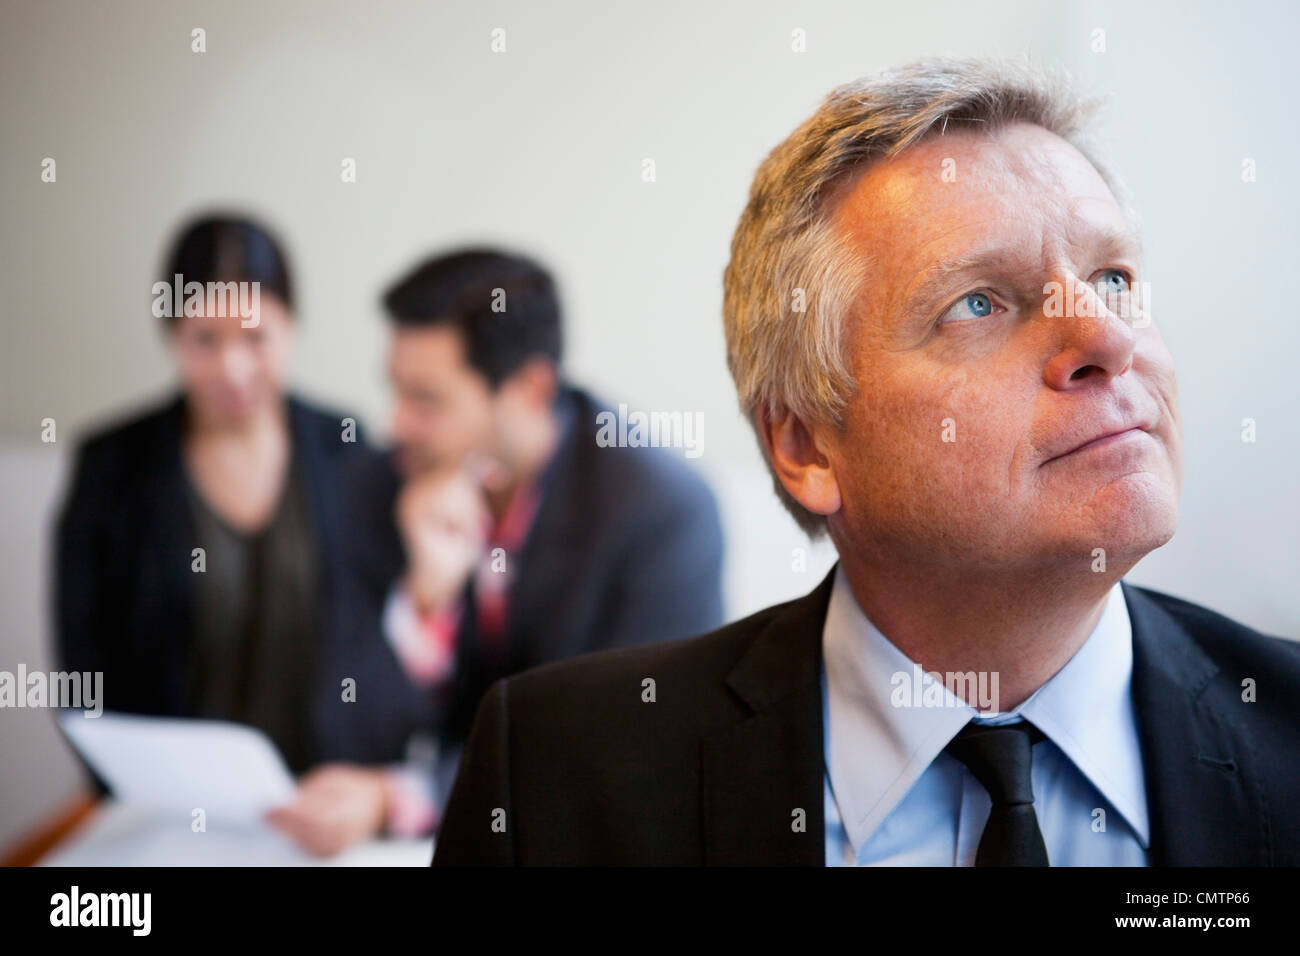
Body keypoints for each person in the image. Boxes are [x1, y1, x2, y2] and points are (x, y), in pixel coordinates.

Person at [431, 57, 1300, 866]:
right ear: (806, 444)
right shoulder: (554, 776)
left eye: (1114, 279)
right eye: (979, 303)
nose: (1108, 338)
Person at [331, 247, 727, 837]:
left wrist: (411, 796)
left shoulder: (660, 512)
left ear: (529, 389)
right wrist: (424, 609)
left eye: (426, 400)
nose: (394, 425)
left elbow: (630, 750)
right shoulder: (380, 486)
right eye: (396, 392)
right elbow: (341, 732)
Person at [55, 214, 414, 856]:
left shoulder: (349, 449)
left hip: (325, 818)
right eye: (205, 339)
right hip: (173, 820)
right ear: (171, 334)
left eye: (256, 337)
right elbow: (82, 665)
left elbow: (387, 642)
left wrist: (367, 793)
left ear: (292, 327)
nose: (234, 367)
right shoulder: (112, 465)